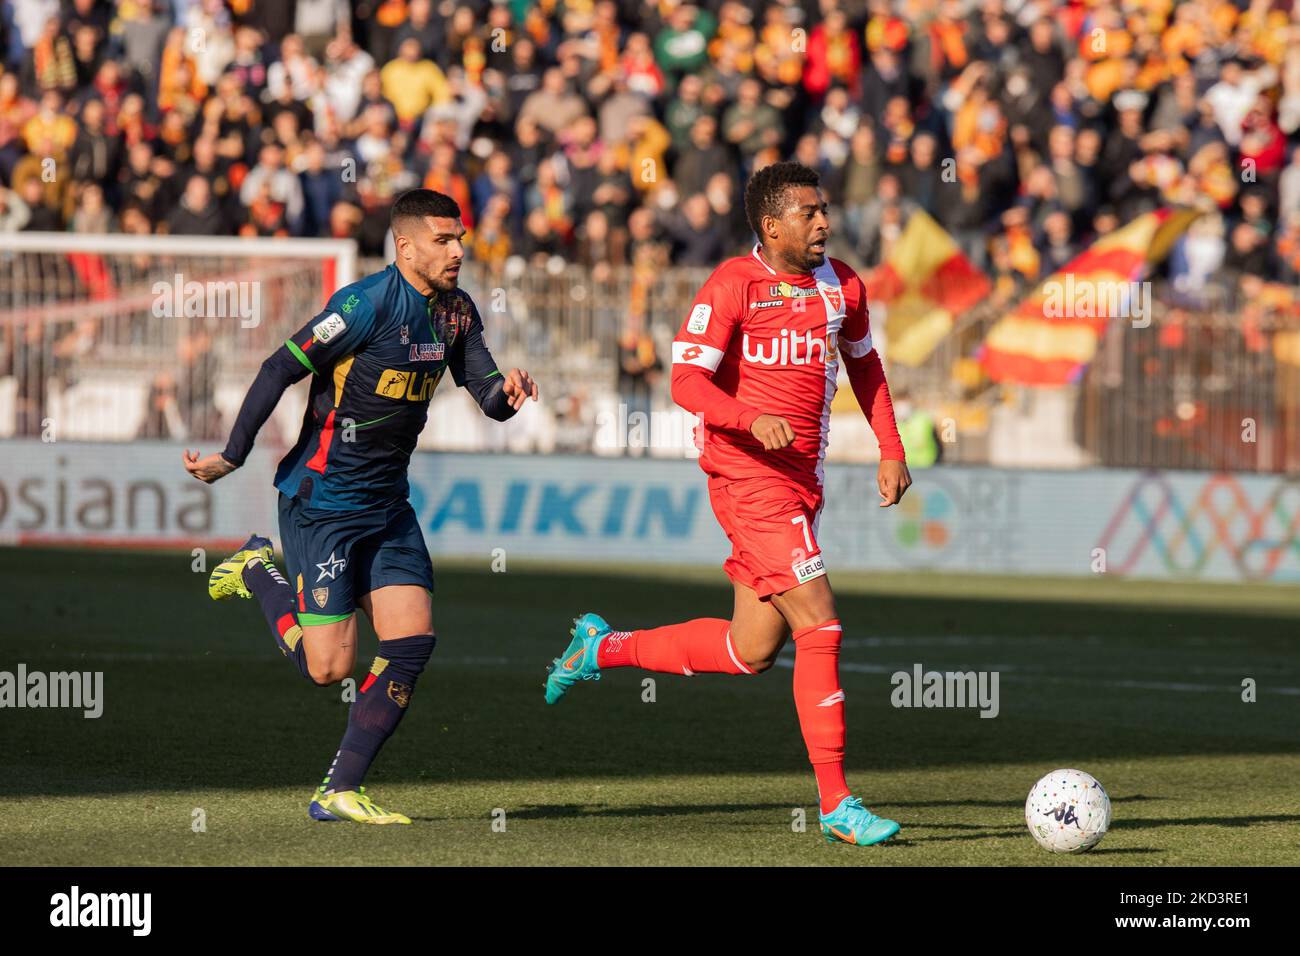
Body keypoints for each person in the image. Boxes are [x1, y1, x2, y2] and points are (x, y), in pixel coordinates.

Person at [541, 162, 911, 847]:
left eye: (824, 209)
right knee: (820, 627)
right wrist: (747, 419)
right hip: (747, 477)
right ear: (771, 226)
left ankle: (602, 648)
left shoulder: (843, 286)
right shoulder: (733, 285)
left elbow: (866, 365)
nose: (824, 222)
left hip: (801, 482)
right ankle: (837, 804)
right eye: (809, 213)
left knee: (751, 650)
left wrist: (891, 446)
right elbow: (686, 380)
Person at [182, 189, 538, 825]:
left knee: (412, 641)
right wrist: (233, 456)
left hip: (388, 505)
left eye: (459, 238)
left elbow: (484, 391)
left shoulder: (456, 313)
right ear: (404, 247)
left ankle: (339, 789)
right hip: (324, 502)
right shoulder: (363, 305)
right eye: (442, 240)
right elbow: (276, 368)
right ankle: (258, 570)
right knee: (329, 669)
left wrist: (508, 395)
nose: (458, 251)